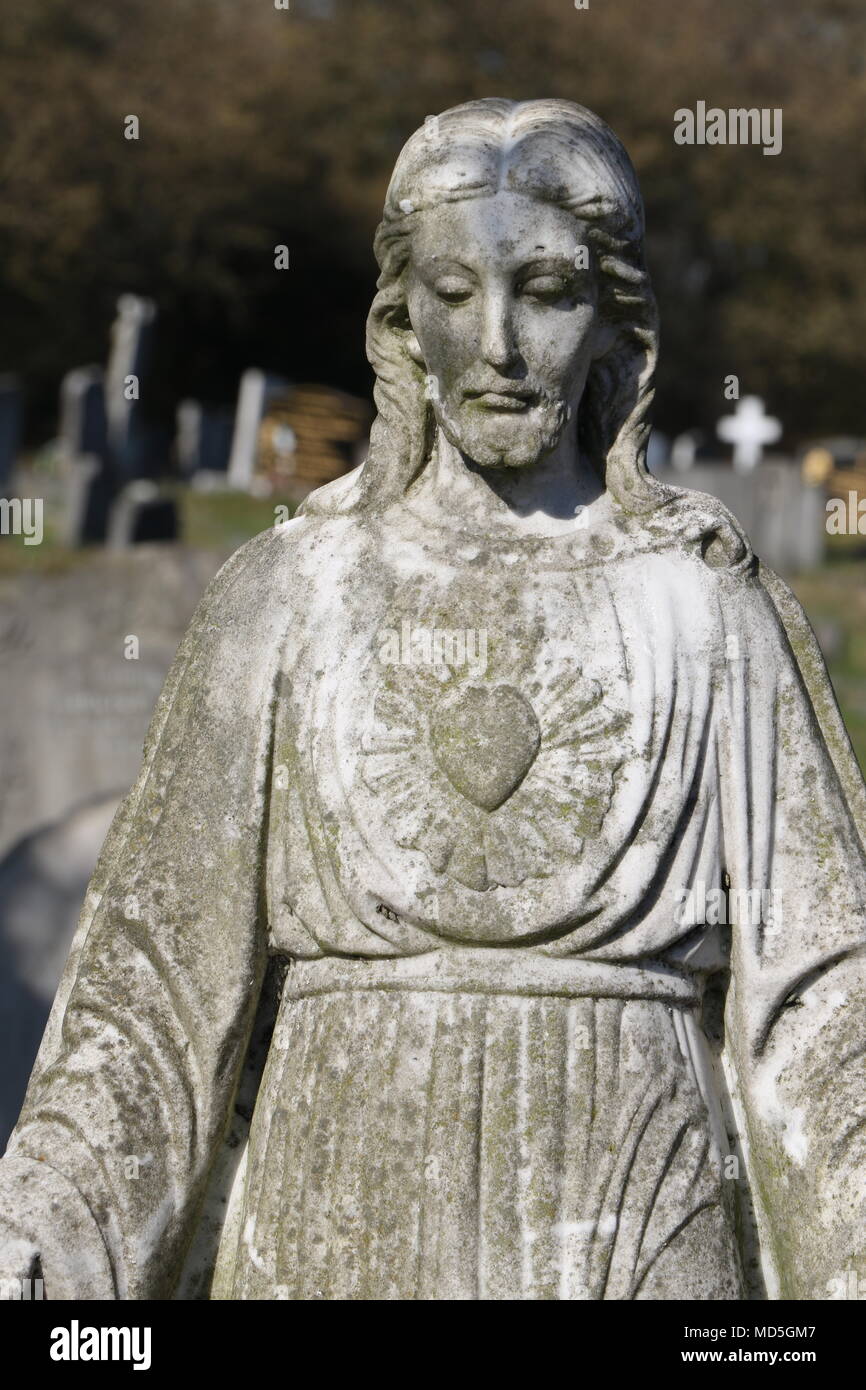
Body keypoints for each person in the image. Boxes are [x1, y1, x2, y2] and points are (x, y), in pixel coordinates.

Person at [2, 98, 865, 1300]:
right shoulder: (291, 593)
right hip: (334, 1213)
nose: (500, 343)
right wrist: (46, 1240)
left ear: (615, 320)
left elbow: (824, 998)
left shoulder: (710, 609)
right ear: (402, 318)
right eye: (455, 294)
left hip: (630, 1216)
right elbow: (153, 982)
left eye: (549, 292)